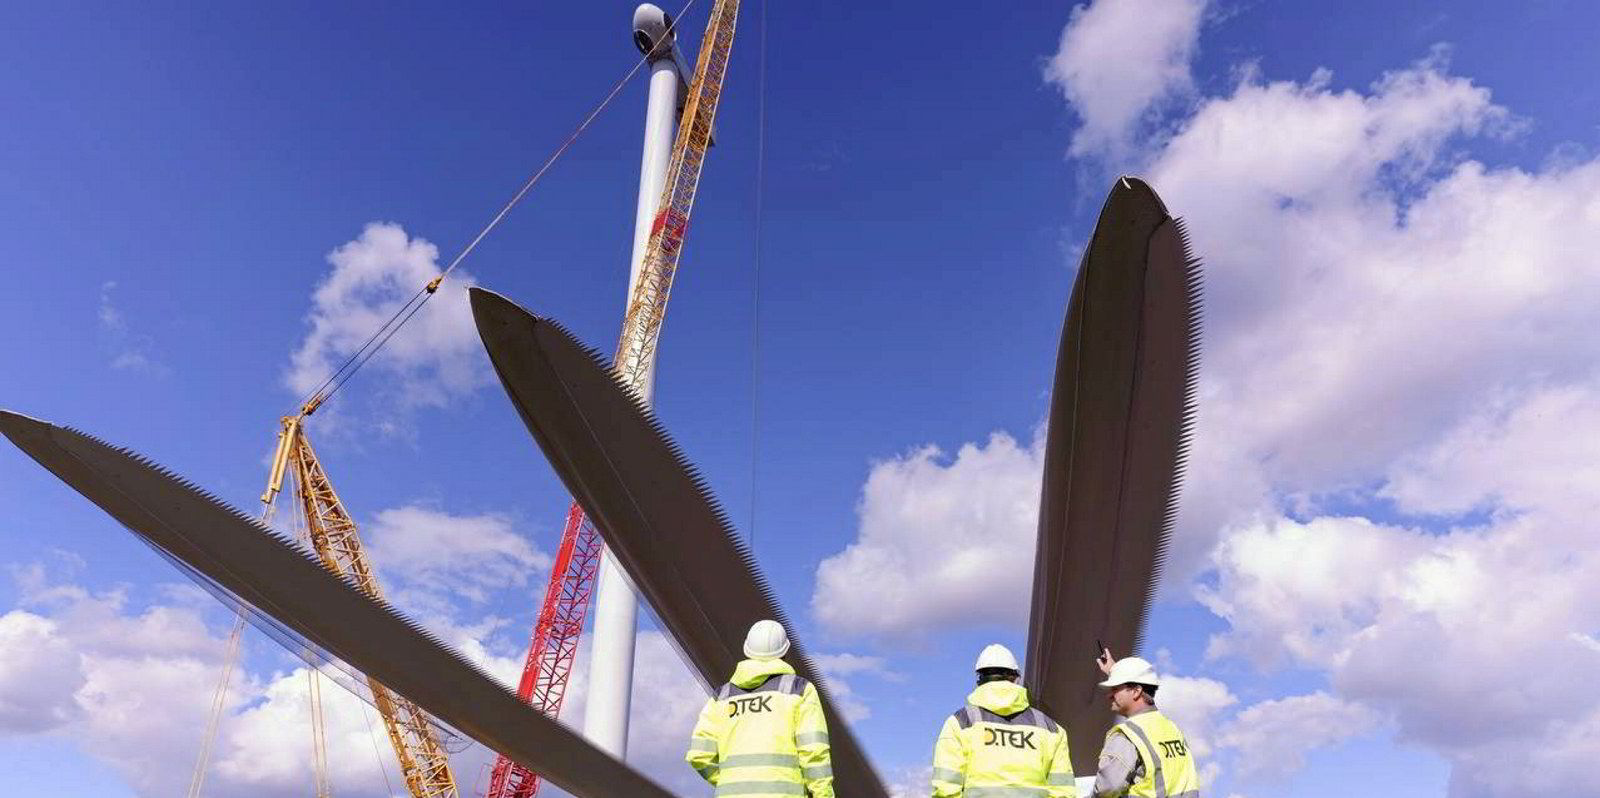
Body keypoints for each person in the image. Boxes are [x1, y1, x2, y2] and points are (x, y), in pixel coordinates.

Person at [686, 620, 834, 797]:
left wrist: (730, 784)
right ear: (785, 651)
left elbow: (699, 755)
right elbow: (814, 751)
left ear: (747, 650)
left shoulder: (721, 697)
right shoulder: (799, 690)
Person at [931, 643, 1076, 798]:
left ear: (979, 680)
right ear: (1016, 679)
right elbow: (1063, 792)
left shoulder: (959, 723)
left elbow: (945, 790)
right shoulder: (1051, 729)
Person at [1092, 649, 1199, 798]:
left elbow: (1105, 789)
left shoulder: (1127, 735)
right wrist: (1115, 671)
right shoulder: (1171, 728)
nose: (1109, 695)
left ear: (1136, 691)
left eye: (1115, 689)